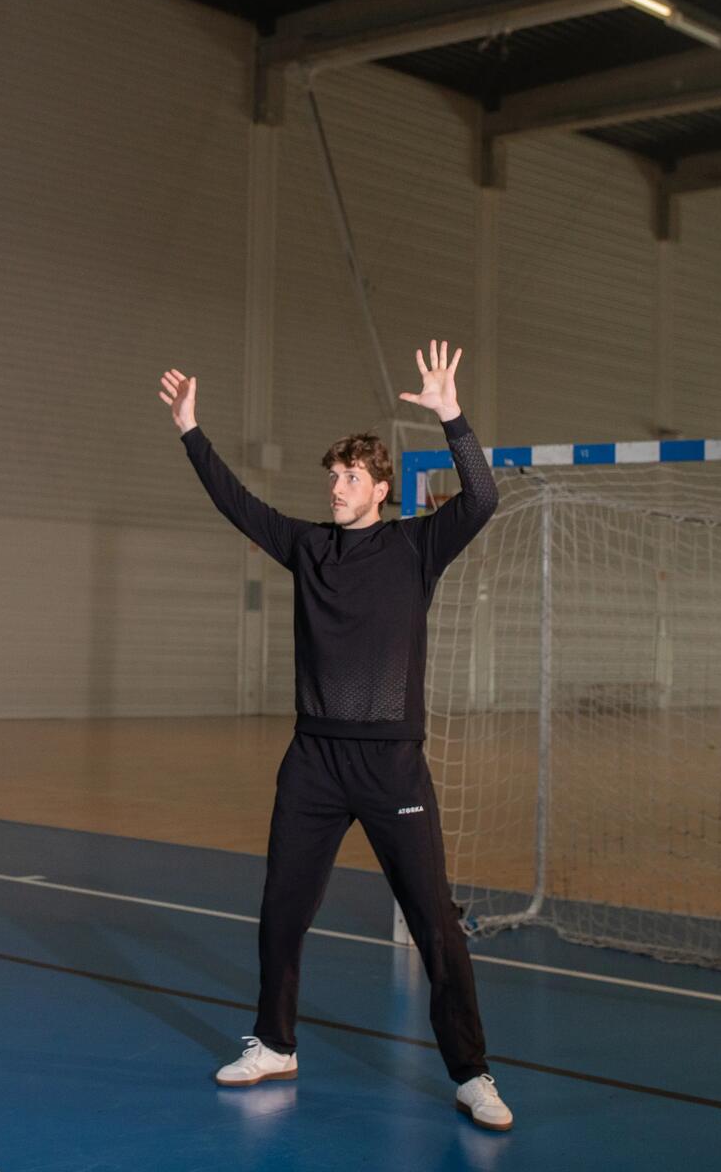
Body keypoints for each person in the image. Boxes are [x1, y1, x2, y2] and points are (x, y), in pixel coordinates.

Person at [158, 343, 512, 1132]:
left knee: (435, 926)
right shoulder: (309, 547)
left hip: (392, 766)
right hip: (313, 762)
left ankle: (472, 1072)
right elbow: (236, 502)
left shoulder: (417, 547)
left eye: (351, 476)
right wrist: (191, 432)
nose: (336, 485)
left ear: (382, 490)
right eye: (333, 476)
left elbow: (483, 496)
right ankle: (274, 1042)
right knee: (282, 909)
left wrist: (452, 415)